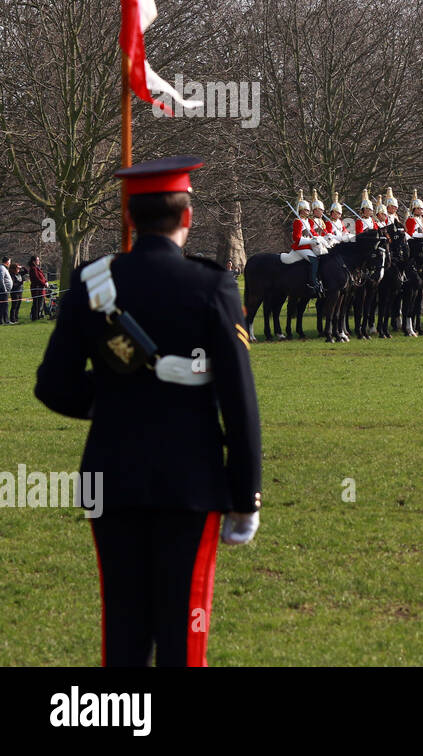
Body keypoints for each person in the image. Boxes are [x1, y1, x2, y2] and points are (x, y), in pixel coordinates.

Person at [34, 155, 262, 667]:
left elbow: (53, 386)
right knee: (185, 634)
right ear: (187, 217)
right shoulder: (212, 285)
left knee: (123, 634)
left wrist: (113, 399)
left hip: (110, 479)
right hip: (191, 482)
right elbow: (239, 401)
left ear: (130, 218)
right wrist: (246, 494)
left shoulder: (93, 284)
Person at [29, 255, 48, 321]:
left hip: (41, 289)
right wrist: (44, 283)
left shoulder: (37, 268)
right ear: (34, 261)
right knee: (36, 303)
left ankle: (39, 315)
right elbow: (37, 278)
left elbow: (42, 276)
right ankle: (35, 317)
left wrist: (46, 281)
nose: (39, 261)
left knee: (41, 303)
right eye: (37, 260)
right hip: (36, 289)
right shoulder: (33, 269)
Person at [0, 255, 12, 323]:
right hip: (3, 291)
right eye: (10, 262)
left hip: (5, 290)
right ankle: (5, 321)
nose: (10, 263)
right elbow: (1, 279)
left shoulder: (4, 268)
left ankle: (3, 320)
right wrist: (4, 290)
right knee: (4, 306)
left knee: (4, 305)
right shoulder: (2, 268)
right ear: (7, 262)